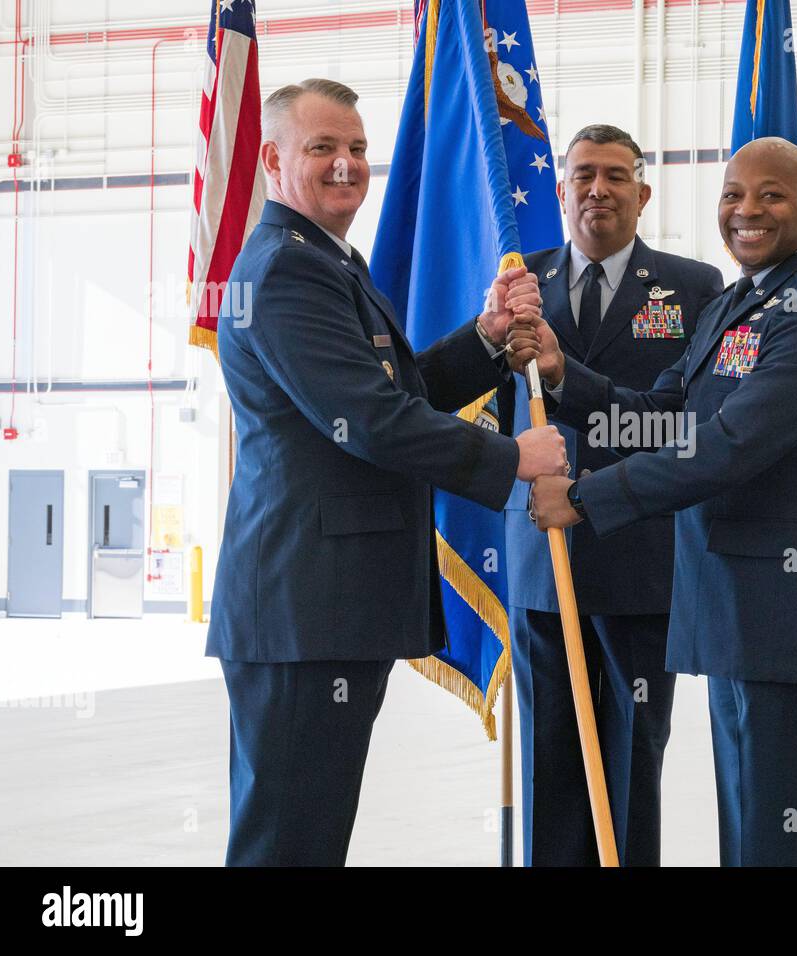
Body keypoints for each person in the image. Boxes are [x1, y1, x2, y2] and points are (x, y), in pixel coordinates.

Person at [206, 78, 567, 866]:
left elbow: (390, 394)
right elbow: (370, 422)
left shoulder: (330, 261)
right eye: (323, 148)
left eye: (358, 149)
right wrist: (513, 460)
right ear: (272, 158)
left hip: (323, 609)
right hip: (304, 610)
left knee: (305, 831)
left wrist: (485, 334)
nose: (346, 165)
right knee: (288, 841)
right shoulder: (284, 272)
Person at [518, 136, 797, 866]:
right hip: (739, 603)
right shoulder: (742, 302)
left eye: (771, 194)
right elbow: (668, 416)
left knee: (779, 827)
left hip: (792, 606)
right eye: (732, 194)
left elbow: (727, 446)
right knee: (752, 817)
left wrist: (588, 498)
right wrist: (563, 374)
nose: (746, 210)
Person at [499, 124, 723, 866]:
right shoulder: (516, 280)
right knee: (548, 754)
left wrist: (569, 381)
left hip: (638, 561)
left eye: (616, 176)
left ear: (643, 192)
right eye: (584, 175)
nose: (599, 189)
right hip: (543, 558)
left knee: (631, 754)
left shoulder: (692, 288)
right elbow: (498, 418)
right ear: (560, 190)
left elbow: (674, 422)